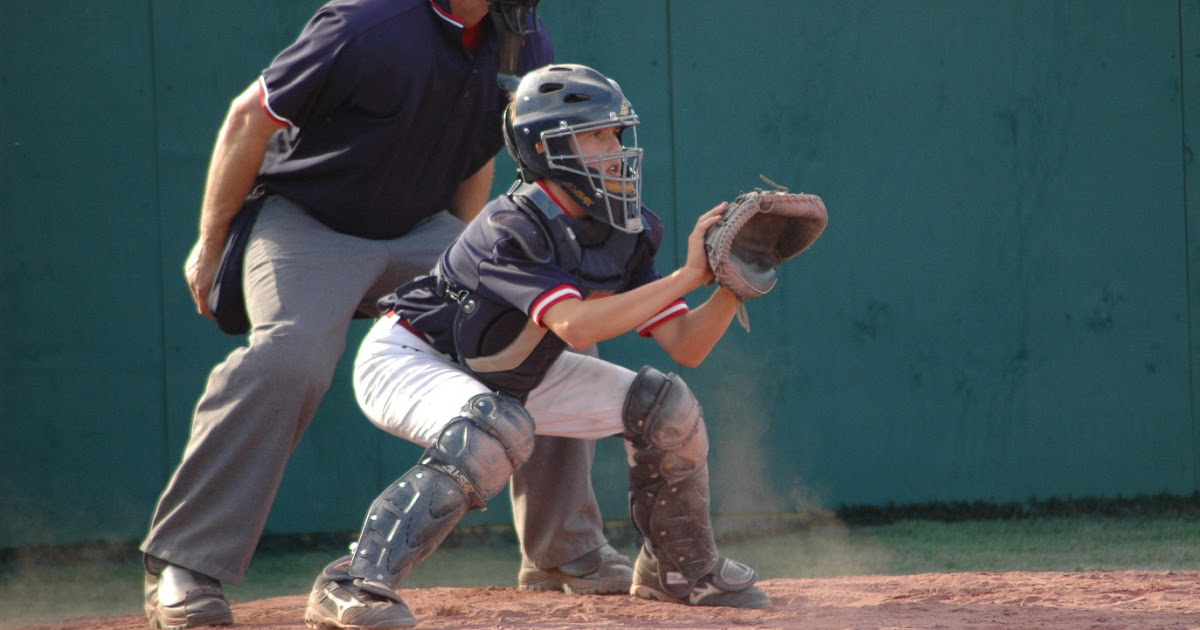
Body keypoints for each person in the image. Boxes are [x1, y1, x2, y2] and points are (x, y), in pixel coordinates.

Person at [141, 3, 632, 629]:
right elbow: (248, 116)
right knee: (290, 356)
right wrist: (211, 243)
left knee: (550, 330)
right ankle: (184, 562)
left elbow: (477, 152)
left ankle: (565, 547)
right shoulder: (363, 25)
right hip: (308, 219)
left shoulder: (523, 41)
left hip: (420, 228)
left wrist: (466, 257)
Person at [303, 63, 771, 630]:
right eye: (595, 135)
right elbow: (576, 327)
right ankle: (352, 582)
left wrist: (730, 286)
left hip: (512, 370)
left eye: (616, 133)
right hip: (412, 355)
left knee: (666, 410)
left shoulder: (626, 228)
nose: (615, 149)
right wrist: (689, 276)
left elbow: (687, 345)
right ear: (546, 148)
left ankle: (678, 570)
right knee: (493, 430)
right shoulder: (510, 225)